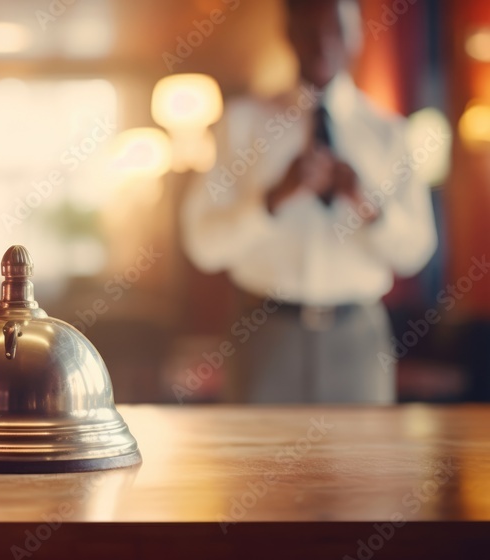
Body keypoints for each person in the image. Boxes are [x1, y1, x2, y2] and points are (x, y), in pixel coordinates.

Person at [180, 0, 437, 403]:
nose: (322, 44)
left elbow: (416, 252)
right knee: (256, 466)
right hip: (264, 335)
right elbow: (202, 246)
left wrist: (368, 206)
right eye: (310, 30)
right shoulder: (240, 124)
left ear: (354, 37)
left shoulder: (389, 135)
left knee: (366, 466)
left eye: (334, 29)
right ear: (289, 33)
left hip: (358, 340)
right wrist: (270, 201)